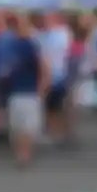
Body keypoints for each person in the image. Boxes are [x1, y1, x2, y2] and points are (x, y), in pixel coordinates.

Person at [4, 15, 48, 167]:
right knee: (17, 127)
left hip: (29, 92)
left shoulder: (32, 45)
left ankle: (24, 155)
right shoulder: (11, 45)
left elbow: (43, 68)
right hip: (15, 91)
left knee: (28, 127)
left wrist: (41, 89)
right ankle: (21, 153)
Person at [36, 11, 73, 144]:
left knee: (55, 107)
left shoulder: (62, 34)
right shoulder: (42, 35)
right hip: (47, 75)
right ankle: (53, 133)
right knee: (49, 106)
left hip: (58, 76)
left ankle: (59, 133)